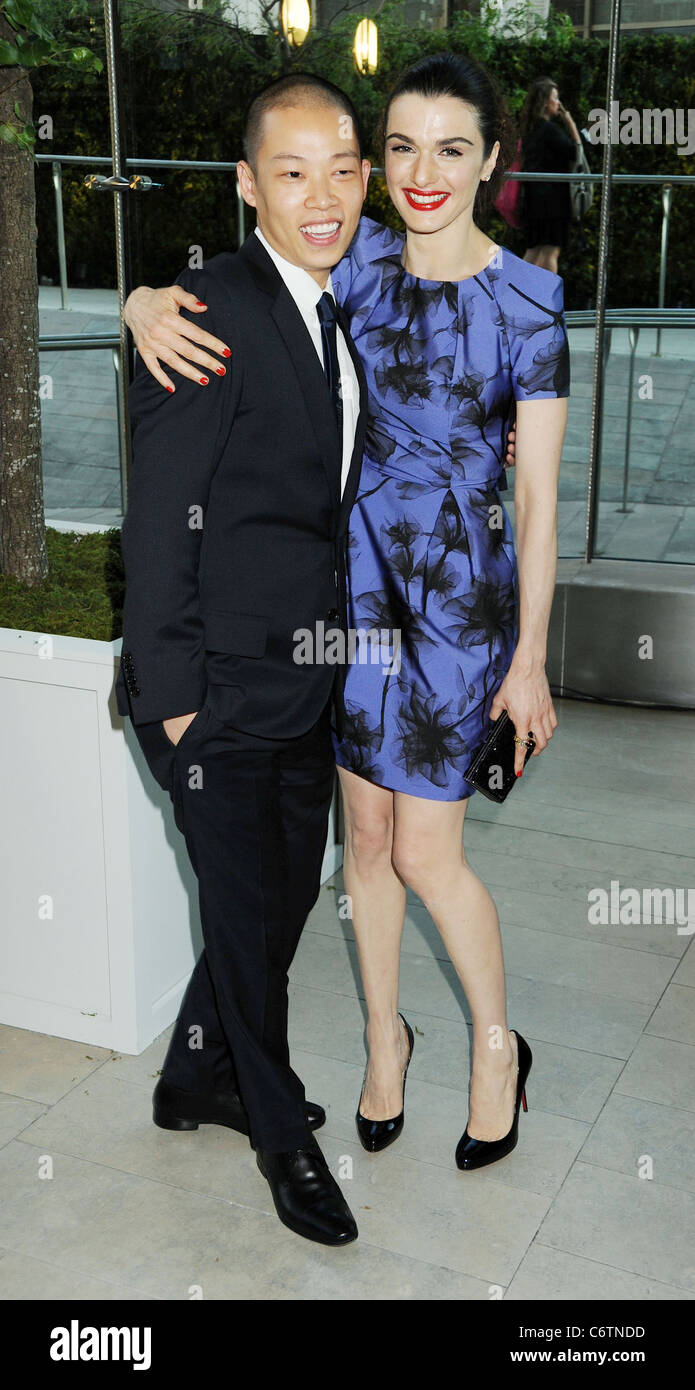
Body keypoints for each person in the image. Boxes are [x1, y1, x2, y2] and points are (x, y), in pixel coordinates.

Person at [123, 53, 569, 1175]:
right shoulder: (359, 257)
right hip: (354, 599)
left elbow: (538, 502)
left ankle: (494, 1048)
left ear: (490, 162)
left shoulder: (528, 299)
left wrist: (528, 662)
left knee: (427, 854)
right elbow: (248, 271)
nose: (422, 173)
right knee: (360, 843)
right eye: (404, 148)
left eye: (450, 148)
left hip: (458, 609)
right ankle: (383, 1041)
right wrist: (138, 301)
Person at [116, 73, 375, 1247]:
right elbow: (157, 522)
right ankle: (280, 1136)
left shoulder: (340, 302)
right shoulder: (203, 314)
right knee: (247, 921)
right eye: (290, 172)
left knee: (265, 919)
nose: (319, 198)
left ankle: (192, 1077)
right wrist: (176, 711)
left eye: (340, 171)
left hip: (304, 682)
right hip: (213, 695)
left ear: (362, 179)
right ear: (245, 184)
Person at [519, 76, 582, 272]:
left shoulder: (530, 129)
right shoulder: (549, 130)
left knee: (534, 250)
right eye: (555, 98)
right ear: (546, 102)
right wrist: (569, 121)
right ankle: (546, 302)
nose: (559, 103)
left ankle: (515, 297)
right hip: (552, 199)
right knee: (550, 252)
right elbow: (576, 151)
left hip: (533, 198)